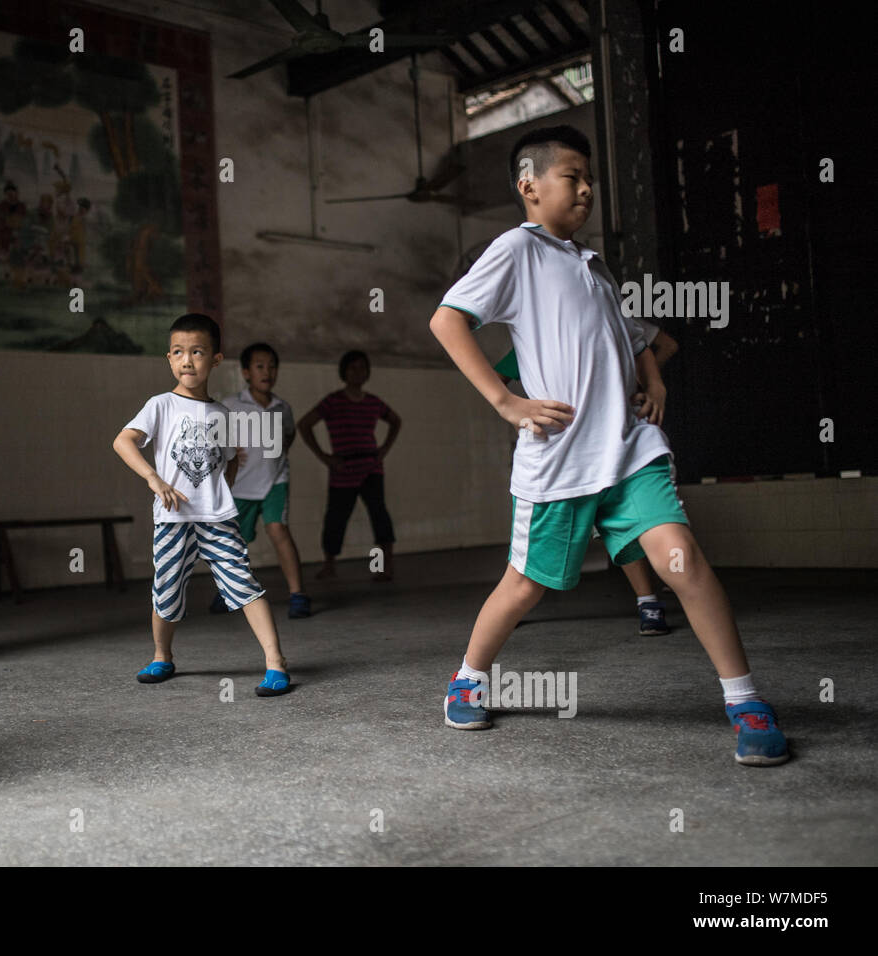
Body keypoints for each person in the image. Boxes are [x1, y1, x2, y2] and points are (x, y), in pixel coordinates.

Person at [427, 124, 788, 766]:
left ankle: (745, 701)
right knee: (524, 587)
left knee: (681, 561)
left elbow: (634, 337)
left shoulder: (592, 266)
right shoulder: (518, 250)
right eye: (574, 176)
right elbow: (447, 320)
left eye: (590, 178)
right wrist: (508, 402)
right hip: (560, 460)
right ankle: (469, 678)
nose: (587, 188)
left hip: (627, 450)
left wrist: (653, 382)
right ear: (529, 186)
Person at [112, 314, 291, 696]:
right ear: (169, 359)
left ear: (216, 359)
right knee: (167, 592)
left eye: (197, 352)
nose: (187, 360)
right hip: (173, 520)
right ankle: (163, 656)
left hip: (217, 520)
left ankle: (276, 664)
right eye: (178, 352)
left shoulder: (223, 415)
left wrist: (218, 495)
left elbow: (229, 460)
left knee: (245, 584)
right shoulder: (160, 405)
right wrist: (153, 478)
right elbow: (123, 441)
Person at [492, 320, 681, 635]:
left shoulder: (609, 314)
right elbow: (496, 377)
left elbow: (663, 345)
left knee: (648, 533)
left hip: (624, 442)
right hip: (567, 455)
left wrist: (649, 383)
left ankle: (653, 598)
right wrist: (517, 410)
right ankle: (510, 607)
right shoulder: (543, 332)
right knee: (533, 557)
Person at [214, 342, 311, 619]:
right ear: (246, 372)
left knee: (278, 530)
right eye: (259, 366)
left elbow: (289, 435)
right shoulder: (232, 405)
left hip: (274, 481)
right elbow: (218, 441)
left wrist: (276, 453)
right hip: (241, 485)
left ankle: (298, 594)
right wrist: (231, 454)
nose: (267, 371)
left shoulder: (283, 407)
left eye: (271, 366)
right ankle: (227, 591)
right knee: (234, 541)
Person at [297, 350, 401, 581]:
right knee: (335, 518)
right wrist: (324, 457)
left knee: (379, 514)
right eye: (353, 368)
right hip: (343, 469)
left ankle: (387, 566)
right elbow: (304, 424)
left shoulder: (373, 402)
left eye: (362, 367)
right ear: (343, 372)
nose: (358, 372)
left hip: (371, 467)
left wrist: (383, 450)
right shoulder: (333, 401)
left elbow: (396, 421)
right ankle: (329, 564)